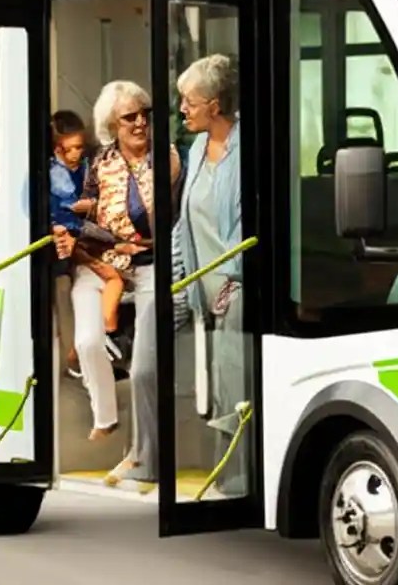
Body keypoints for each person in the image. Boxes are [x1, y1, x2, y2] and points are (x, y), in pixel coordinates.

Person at [52, 81, 180, 449]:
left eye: (145, 115)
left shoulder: (166, 158)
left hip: (147, 264)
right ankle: (105, 416)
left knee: (146, 360)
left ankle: (148, 440)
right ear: (112, 124)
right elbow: (83, 214)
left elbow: (167, 217)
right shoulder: (98, 162)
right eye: (129, 118)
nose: (140, 123)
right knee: (87, 341)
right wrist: (97, 240)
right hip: (99, 262)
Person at [170, 53, 249, 498]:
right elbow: (186, 222)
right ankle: (226, 471)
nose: (183, 108)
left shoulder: (244, 151)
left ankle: (239, 477)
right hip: (205, 292)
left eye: (190, 101)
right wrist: (179, 280)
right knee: (219, 380)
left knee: (234, 378)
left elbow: (245, 227)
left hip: (236, 290)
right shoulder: (197, 149)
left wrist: (231, 285)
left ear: (215, 106)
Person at [48, 110, 128, 379]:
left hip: (80, 240)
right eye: (70, 149)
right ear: (57, 148)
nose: (76, 154)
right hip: (72, 240)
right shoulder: (56, 175)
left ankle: (98, 343)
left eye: (80, 148)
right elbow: (69, 213)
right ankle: (99, 342)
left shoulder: (81, 167)